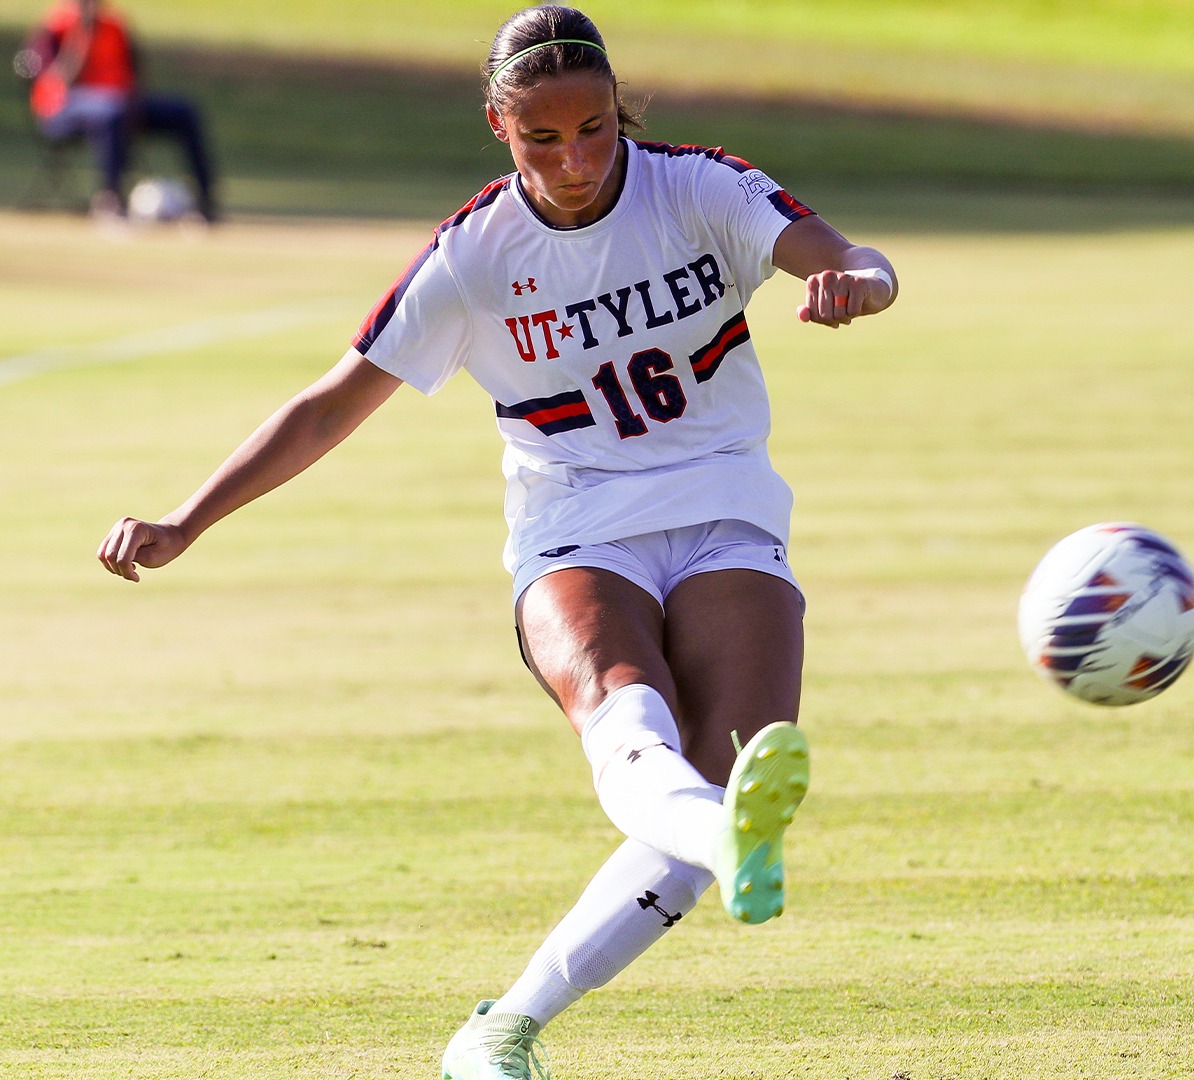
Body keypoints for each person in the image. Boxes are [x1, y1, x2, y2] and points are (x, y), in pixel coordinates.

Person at [95, 6, 897, 1076]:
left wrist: (858, 285)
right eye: (543, 139)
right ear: (497, 128)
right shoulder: (473, 256)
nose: (576, 161)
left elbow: (854, 257)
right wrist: (186, 519)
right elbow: (330, 407)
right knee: (639, 724)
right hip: (576, 530)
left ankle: (504, 1025)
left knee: (718, 776)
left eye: (597, 129)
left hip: (725, 511)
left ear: (623, 111)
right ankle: (722, 834)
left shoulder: (701, 186)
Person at [18, 0, 218, 221]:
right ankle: (110, 201)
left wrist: (133, 103)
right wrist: (82, 35)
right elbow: (55, 78)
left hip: (119, 104)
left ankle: (205, 203)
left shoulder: (115, 25)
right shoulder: (54, 27)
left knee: (184, 112)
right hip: (63, 109)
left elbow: (134, 73)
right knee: (110, 112)